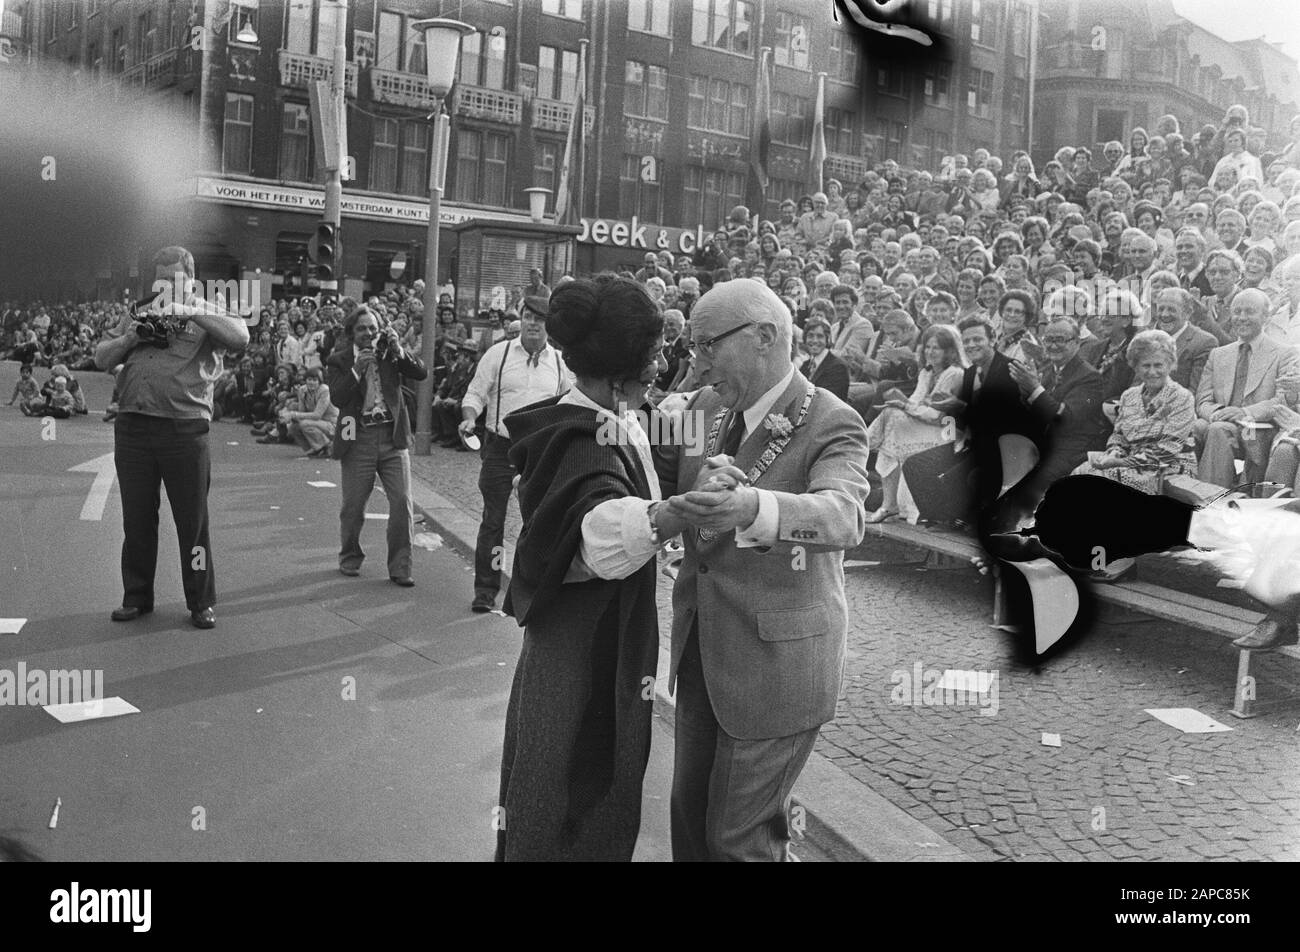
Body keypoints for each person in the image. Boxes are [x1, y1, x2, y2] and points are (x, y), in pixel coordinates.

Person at [651, 279, 871, 862]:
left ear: (765, 336)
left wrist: (752, 507)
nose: (697, 364)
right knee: (690, 817)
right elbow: (649, 469)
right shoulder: (701, 407)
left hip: (778, 667)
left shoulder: (833, 420)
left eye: (707, 345)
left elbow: (843, 516)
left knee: (739, 840)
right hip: (702, 652)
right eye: (693, 348)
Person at [495, 274, 679, 862]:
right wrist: (673, 515)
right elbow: (599, 534)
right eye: (654, 356)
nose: (662, 367)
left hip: (588, 640)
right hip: (586, 647)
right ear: (620, 373)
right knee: (569, 791)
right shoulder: (583, 439)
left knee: (561, 784)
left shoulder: (608, 416)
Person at [93, 246, 250, 629]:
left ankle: (200, 601)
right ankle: (136, 596)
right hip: (133, 424)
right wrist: (129, 339)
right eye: (160, 278)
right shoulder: (138, 311)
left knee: (191, 522)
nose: (165, 285)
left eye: (174, 278)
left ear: (191, 279)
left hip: (184, 426)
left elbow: (240, 337)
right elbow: (101, 357)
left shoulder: (207, 309)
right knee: (136, 518)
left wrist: (188, 310)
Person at [460, 297, 572, 613]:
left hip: (540, 453)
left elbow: (572, 404)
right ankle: (486, 589)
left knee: (538, 524)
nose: (533, 323)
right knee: (493, 521)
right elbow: (475, 394)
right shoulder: (499, 354)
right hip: (501, 448)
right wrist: (469, 418)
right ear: (521, 319)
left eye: (540, 318)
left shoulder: (561, 363)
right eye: (528, 317)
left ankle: (531, 592)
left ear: (549, 324)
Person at [326, 305, 428, 586]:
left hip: (392, 437)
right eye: (362, 329)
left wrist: (400, 351)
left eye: (373, 328)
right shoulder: (339, 360)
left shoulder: (389, 353)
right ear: (351, 333)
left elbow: (421, 373)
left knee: (402, 502)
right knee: (353, 505)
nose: (368, 333)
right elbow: (337, 398)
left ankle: (401, 567)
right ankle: (350, 555)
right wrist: (356, 371)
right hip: (358, 436)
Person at [1194, 288, 1300, 487]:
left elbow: (1282, 401)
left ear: (1266, 316)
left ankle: (1212, 496)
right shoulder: (1218, 354)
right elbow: (1203, 400)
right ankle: (1182, 488)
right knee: (1195, 428)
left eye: (1249, 311)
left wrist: (1243, 412)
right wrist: (1218, 413)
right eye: (1237, 312)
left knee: (1218, 430)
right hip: (1222, 422)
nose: (1241, 318)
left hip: (1256, 430)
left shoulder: (1284, 354)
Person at [865, 324, 967, 524]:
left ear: (949, 351)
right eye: (927, 347)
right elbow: (916, 403)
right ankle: (888, 501)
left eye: (936, 348)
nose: (930, 352)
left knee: (892, 418)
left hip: (949, 432)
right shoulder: (926, 373)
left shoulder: (954, 374)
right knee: (891, 413)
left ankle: (864, 447)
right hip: (929, 426)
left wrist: (905, 405)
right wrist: (901, 403)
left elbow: (936, 415)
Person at [1072, 330, 1197, 492]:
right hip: (1129, 464)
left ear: (1170, 365)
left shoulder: (1182, 397)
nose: (1152, 372)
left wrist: (1120, 463)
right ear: (1136, 367)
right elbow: (1119, 436)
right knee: (1080, 472)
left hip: (1169, 468)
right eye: (1146, 365)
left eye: (1158, 365)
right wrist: (1114, 453)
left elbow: (1166, 452)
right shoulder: (1129, 396)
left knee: (1101, 480)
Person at [1153, 287, 1218, 392]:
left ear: (1187, 313)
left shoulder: (1204, 343)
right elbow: (1137, 383)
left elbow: (1195, 391)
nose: (1164, 314)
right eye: (1161, 309)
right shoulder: (1149, 338)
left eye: (1171, 310)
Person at [282, 367, 337, 457]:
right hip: (316, 423)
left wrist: (293, 414)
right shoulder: (302, 390)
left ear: (320, 381)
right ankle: (314, 449)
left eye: (315, 380)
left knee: (305, 423)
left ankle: (327, 448)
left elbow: (317, 415)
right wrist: (288, 417)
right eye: (309, 379)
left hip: (331, 424)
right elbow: (302, 412)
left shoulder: (324, 390)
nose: (311, 382)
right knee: (293, 427)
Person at [800, 315, 850, 402]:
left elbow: (827, 401)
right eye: (810, 336)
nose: (815, 340)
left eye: (820, 336)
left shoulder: (838, 367)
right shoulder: (805, 366)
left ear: (827, 339)